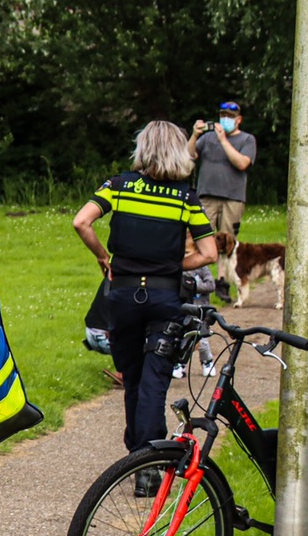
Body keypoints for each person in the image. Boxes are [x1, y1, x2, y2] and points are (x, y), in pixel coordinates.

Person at [71, 122, 219, 478]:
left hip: (122, 295)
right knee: (155, 379)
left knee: (133, 377)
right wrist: (173, 265)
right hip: (165, 295)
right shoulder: (185, 197)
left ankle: (136, 452)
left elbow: (81, 222)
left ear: (143, 148)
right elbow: (210, 253)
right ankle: (147, 466)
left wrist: (104, 257)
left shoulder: (119, 186)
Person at [189, 102, 256, 298]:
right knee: (198, 238)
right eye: (223, 115)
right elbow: (188, 155)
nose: (225, 119)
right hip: (206, 195)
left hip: (233, 197)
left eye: (230, 116)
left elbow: (242, 163)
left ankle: (222, 282)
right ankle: (198, 280)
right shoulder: (208, 138)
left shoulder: (247, 139)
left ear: (239, 119)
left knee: (227, 241)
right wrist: (194, 135)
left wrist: (224, 141)